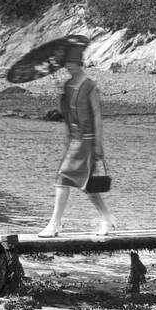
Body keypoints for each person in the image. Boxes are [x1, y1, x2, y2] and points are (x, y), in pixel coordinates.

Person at [38, 41, 118, 237]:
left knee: (62, 179)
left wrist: (98, 145)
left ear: (80, 63)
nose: (68, 66)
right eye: (66, 63)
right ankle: (108, 220)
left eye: (72, 62)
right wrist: (62, 100)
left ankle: (55, 224)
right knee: (89, 187)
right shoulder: (67, 85)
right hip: (74, 141)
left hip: (87, 142)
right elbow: (67, 117)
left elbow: (97, 116)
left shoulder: (90, 85)